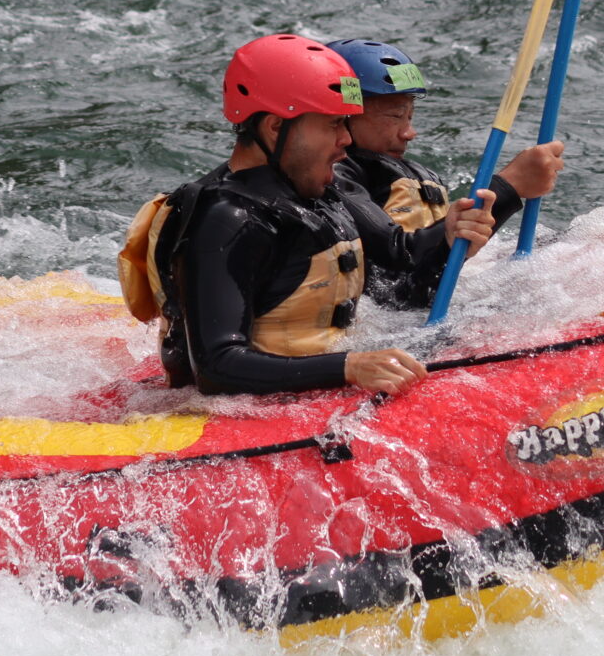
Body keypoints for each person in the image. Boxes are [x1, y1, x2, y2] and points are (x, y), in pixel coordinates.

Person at [119, 34, 496, 398]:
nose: (346, 141)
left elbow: (398, 277)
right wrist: (348, 368)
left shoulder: (314, 197)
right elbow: (215, 367)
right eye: (333, 124)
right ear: (276, 126)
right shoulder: (226, 220)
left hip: (310, 390)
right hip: (242, 417)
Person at [327, 38, 564, 305]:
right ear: (341, 115)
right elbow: (398, 262)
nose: (409, 133)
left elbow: (436, 268)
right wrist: (508, 187)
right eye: (395, 116)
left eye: (410, 117)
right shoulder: (330, 176)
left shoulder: (416, 173)